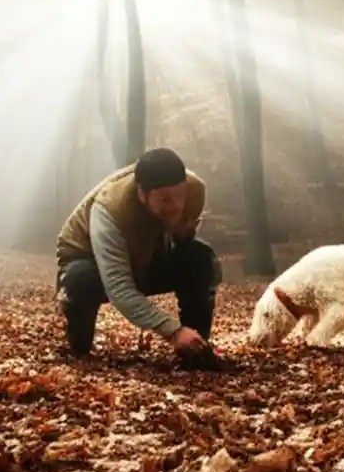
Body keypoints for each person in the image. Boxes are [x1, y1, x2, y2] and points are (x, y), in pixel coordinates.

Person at [55, 147, 221, 358]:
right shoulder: (109, 209)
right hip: (92, 262)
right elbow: (119, 288)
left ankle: (196, 347)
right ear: (142, 195)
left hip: (148, 254)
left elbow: (182, 241)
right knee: (81, 278)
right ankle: (79, 349)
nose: (175, 206)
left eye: (179, 195)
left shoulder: (195, 190)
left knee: (200, 257)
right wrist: (172, 331)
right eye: (164, 199)